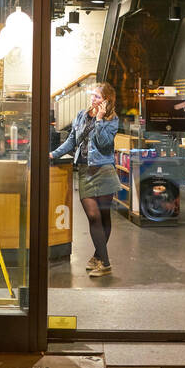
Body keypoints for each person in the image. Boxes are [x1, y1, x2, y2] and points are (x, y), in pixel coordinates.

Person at [50, 82, 121, 278]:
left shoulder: (112, 120)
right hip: (84, 171)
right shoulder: (81, 115)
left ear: (107, 100)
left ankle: (100, 259)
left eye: (98, 97)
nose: (93, 99)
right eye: (93, 95)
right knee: (93, 215)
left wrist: (99, 120)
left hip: (104, 170)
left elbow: (105, 144)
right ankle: (103, 259)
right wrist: (53, 154)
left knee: (104, 216)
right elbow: (72, 140)